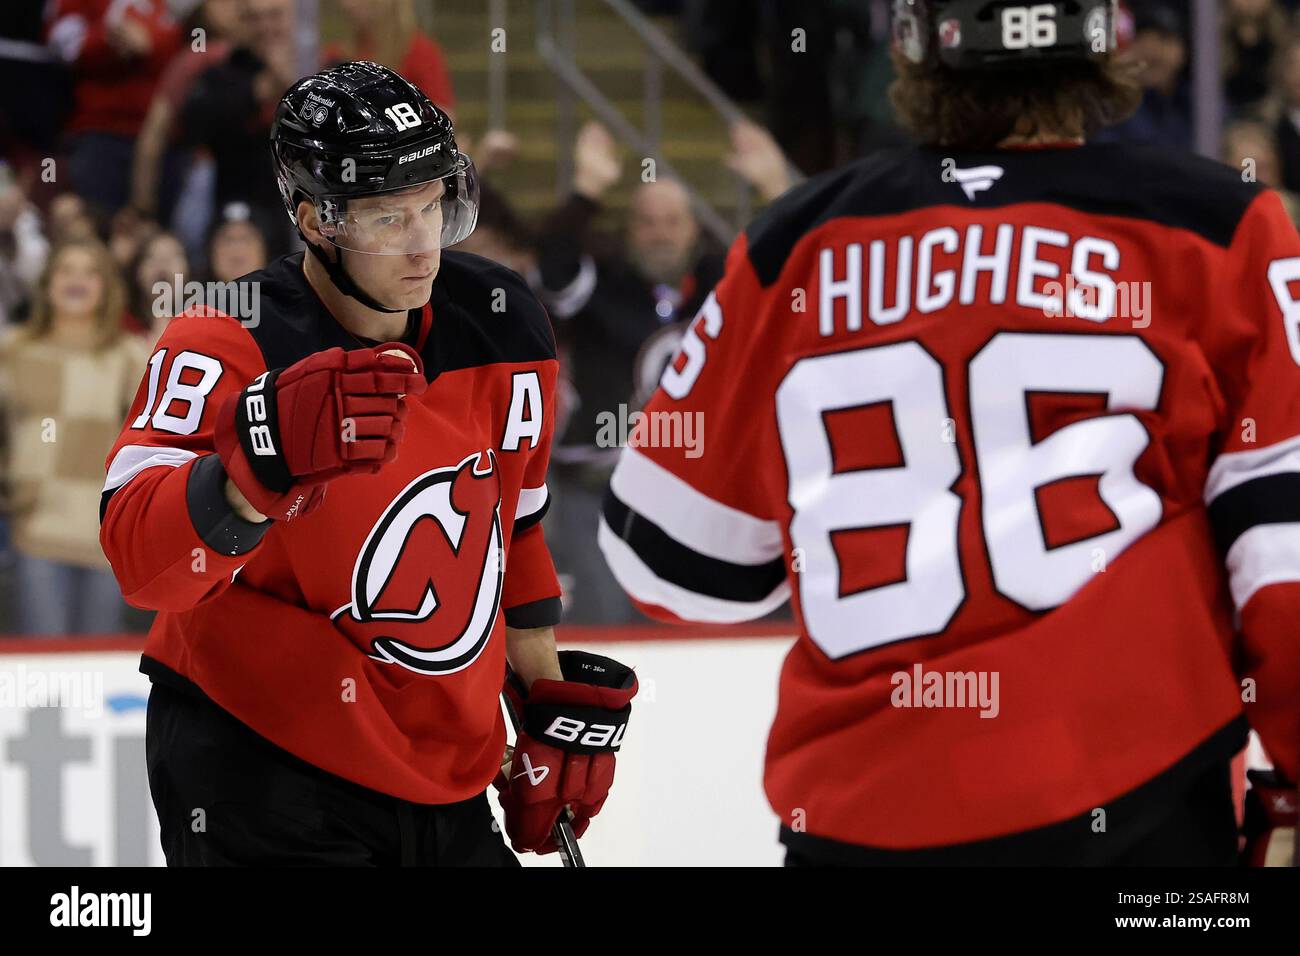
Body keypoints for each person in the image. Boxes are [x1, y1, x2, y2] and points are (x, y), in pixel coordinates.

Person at [600, 0, 1300, 865]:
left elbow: (666, 559)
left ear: (915, 55)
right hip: (1135, 808)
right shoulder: (1217, 223)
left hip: (859, 821)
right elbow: (1285, 561)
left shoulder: (796, 243)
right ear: (1105, 45)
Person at [100, 62, 637, 866]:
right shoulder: (227, 338)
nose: (426, 247)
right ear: (317, 220)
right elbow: (139, 562)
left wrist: (540, 710)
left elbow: (511, 536)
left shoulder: (501, 323)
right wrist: (255, 469)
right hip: (260, 759)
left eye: (436, 208)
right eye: (391, 219)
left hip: (439, 762)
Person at [0, 237, 146, 635]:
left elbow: (152, 444)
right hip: (36, 534)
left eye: (89, 272)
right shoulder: (12, 349)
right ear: (48, 283)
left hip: (103, 539)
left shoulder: (130, 354)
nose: (77, 280)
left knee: (95, 676)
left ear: (106, 286)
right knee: (47, 680)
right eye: (66, 270)